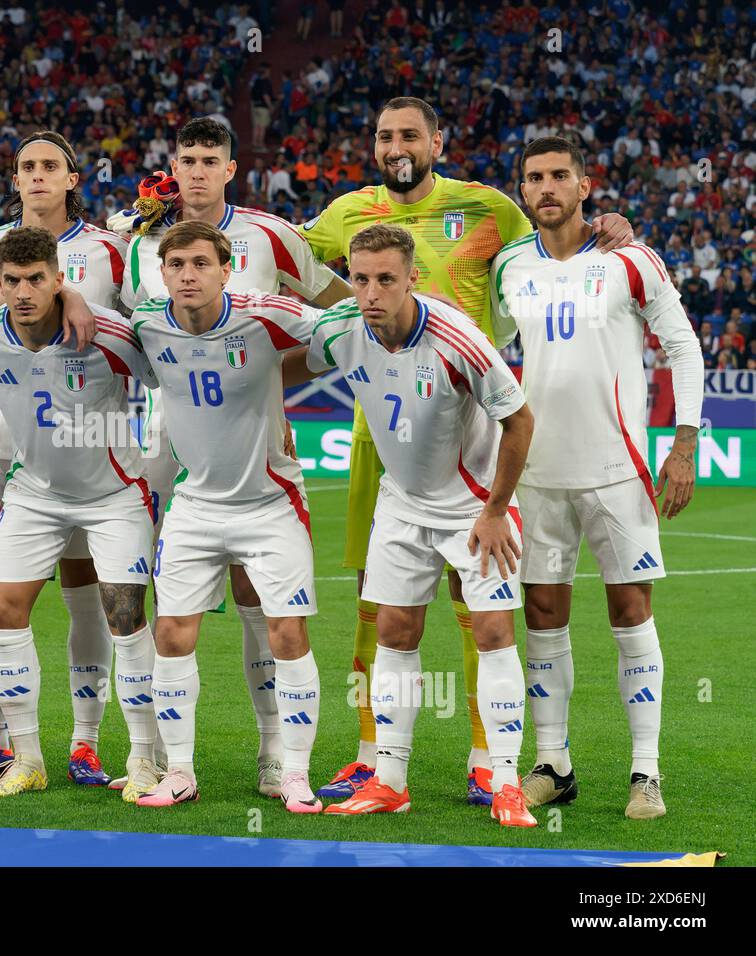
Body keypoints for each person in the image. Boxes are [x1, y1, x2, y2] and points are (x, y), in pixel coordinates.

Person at [299, 96, 635, 805]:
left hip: (465, 423)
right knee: (377, 604)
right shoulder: (344, 215)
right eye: (385, 133)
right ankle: (374, 758)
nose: (397, 145)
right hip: (380, 435)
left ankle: (491, 760)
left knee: (475, 607)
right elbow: (282, 261)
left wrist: (608, 225)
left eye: (410, 135)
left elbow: (555, 230)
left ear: (436, 141)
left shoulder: (488, 208)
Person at [116, 117, 348, 799]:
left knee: (263, 608)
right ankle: (156, 759)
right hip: (176, 450)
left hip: (261, 464)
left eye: (207, 159)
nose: (194, 170)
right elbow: (128, 334)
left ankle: (278, 755)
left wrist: (273, 373)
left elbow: (342, 309)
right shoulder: (138, 245)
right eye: (183, 159)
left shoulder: (272, 239)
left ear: (229, 168)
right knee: (165, 615)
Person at [294, 223, 537, 827]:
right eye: (360, 278)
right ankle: (390, 780)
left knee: (493, 634)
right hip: (401, 504)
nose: (371, 292)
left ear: (410, 280)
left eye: (385, 279)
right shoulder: (341, 327)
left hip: (472, 507)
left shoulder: (460, 338)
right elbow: (283, 351)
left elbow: (520, 421)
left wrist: (497, 509)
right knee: (395, 633)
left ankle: (507, 781)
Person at [491, 137, 704, 819]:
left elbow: (684, 345)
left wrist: (685, 444)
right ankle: (553, 763)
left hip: (617, 471)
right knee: (543, 616)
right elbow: (487, 356)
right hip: (538, 472)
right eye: (534, 178)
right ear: (522, 191)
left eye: (559, 176)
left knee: (631, 612)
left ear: (586, 185)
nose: (546, 187)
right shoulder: (508, 266)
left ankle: (646, 773)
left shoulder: (630, 260)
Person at [0, 132, 134, 787]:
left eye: (49, 166)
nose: (36, 176)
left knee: (89, 598)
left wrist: (78, 297)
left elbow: (138, 330)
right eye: (26, 166)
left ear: (72, 175)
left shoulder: (113, 249)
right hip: (2, 452)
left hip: (91, 447)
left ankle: (85, 743)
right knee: (2, 601)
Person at [132, 221, 326, 814]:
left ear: (225, 269)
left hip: (271, 504)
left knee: (287, 634)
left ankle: (294, 773)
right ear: (162, 273)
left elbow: (339, 336)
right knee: (171, 633)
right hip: (195, 504)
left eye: (199, 264)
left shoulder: (266, 313)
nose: (187, 275)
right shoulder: (146, 323)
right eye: (176, 265)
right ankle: (180, 771)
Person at [0, 226, 161, 800]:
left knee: (125, 619)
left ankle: (145, 758)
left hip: (115, 494)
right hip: (35, 493)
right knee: (3, 610)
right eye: (12, 281)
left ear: (58, 279)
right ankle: (27, 758)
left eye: (36, 280)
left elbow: (168, 358)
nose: (23, 292)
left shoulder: (106, 334)